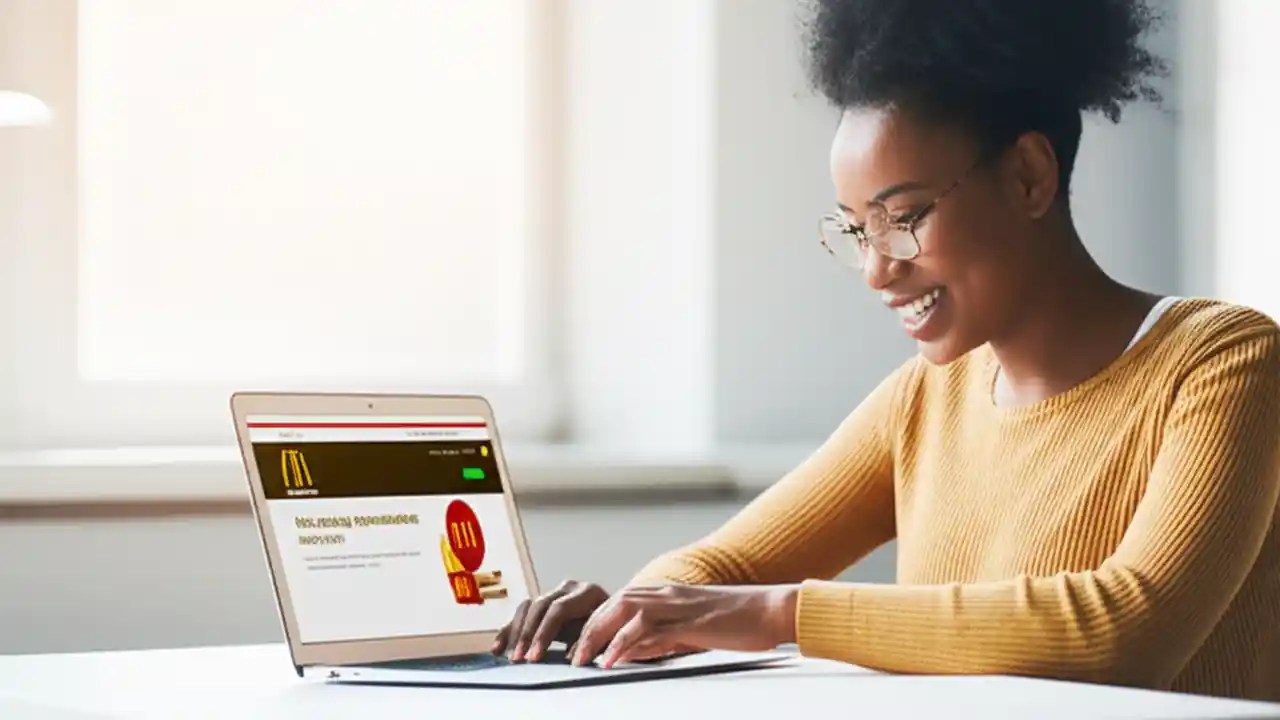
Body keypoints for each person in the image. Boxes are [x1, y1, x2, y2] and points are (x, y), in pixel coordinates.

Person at [493, 0, 1280, 701]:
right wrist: (632, 609)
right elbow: (718, 572)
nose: (876, 269)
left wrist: (780, 613)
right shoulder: (925, 398)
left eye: (903, 217)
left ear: (1030, 176)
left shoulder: (1222, 364)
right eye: (856, 229)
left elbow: (1123, 630)